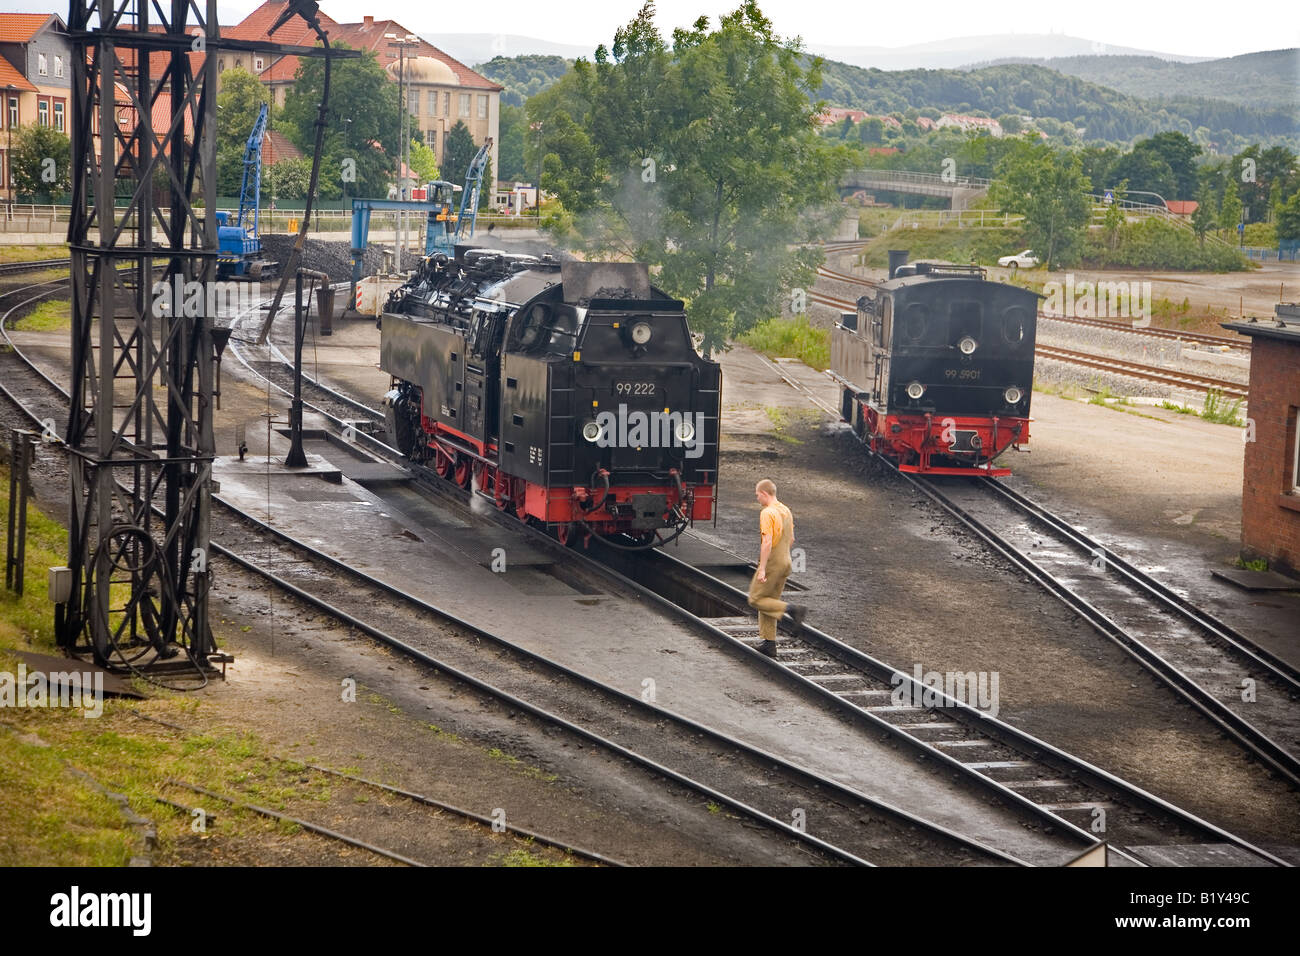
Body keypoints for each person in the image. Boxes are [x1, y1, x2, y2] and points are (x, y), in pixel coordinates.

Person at [747, 479, 807, 657]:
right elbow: (791, 539)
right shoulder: (785, 510)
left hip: (773, 562)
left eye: (757, 495)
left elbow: (766, 542)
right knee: (769, 602)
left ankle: (792, 609)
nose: (757, 498)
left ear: (764, 494)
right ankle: (769, 644)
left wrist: (763, 567)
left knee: (756, 599)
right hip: (786, 561)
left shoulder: (768, 513)